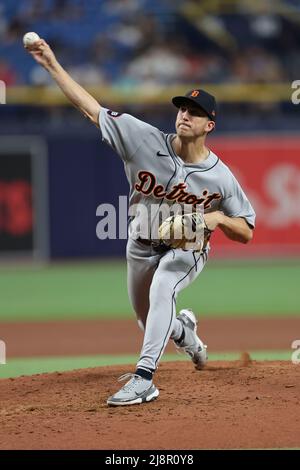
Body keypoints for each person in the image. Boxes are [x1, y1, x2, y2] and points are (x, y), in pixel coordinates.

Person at [25, 39, 256, 406]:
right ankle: (187, 335)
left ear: (209, 124)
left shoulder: (220, 177)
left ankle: (144, 378)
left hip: (187, 248)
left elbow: (246, 231)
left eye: (195, 112)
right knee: (149, 318)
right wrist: (51, 65)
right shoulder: (142, 138)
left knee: (164, 285)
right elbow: (90, 108)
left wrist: (215, 218)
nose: (185, 115)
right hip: (141, 243)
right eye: (182, 107)